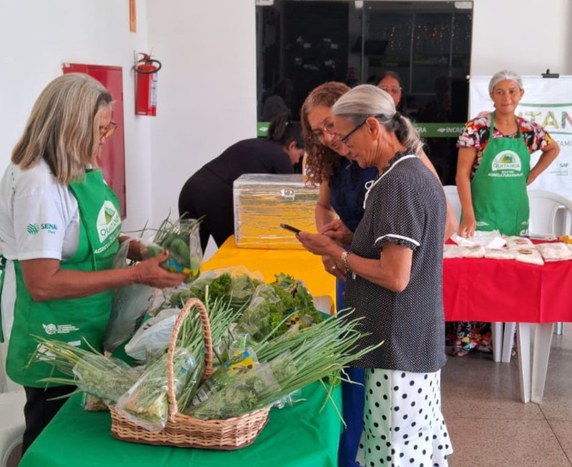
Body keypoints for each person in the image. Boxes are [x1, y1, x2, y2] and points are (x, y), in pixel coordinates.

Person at [0, 73, 186, 453]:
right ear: (72, 125)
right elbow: (43, 282)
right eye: (100, 129)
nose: (106, 138)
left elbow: (89, 235)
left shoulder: (77, 167)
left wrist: (137, 249)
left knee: (77, 436)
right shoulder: (40, 185)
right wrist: (136, 275)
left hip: (83, 323)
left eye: (108, 127)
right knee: (54, 440)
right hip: (50, 334)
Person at [300, 81, 457, 467]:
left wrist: (338, 251)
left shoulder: (396, 185)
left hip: (395, 344)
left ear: (372, 127)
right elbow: (407, 247)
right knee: (412, 444)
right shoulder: (410, 173)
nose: (340, 144)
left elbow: (395, 276)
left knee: (394, 451)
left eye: (342, 133)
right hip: (409, 337)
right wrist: (355, 237)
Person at [450, 70, 560, 356]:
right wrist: (469, 216)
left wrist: (532, 175)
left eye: (512, 91)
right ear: (491, 95)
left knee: (510, 279)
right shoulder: (478, 127)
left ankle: (506, 340)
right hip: (482, 212)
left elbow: (552, 149)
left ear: (521, 95)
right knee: (477, 277)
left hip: (515, 214)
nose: (506, 97)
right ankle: (472, 340)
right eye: (500, 91)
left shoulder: (528, 129)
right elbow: (462, 175)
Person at [178, 113, 303, 253]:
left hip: (190, 189)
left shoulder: (255, 143)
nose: (298, 161)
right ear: (292, 145)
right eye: (300, 154)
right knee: (234, 254)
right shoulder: (281, 157)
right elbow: (291, 201)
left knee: (186, 258)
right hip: (215, 198)